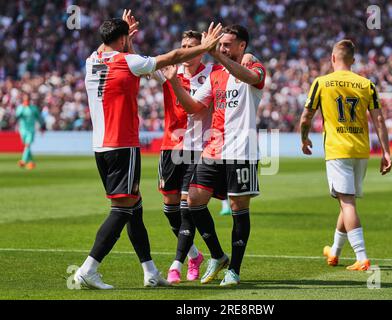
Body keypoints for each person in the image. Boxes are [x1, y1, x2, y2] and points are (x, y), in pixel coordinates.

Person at [74, 12, 223, 289]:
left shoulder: (91, 60)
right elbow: (172, 56)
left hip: (100, 146)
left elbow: (111, 48)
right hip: (122, 144)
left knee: (135, 207)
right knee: (121, 209)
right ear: (122, 39)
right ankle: (88, 268)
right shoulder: (128, 61)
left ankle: (150, 272)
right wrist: (206, 46)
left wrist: (125, 36)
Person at [164, 25, 266, 286]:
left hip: (242, 151)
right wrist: (175, 84)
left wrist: (216, 55)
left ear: (242, 46)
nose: (222, 49)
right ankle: (218, 256)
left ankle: (235, 270)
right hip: (214, 149)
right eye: (220, 45)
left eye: (228, 44)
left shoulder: (255, 69)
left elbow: (247, 76)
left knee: (237, 209)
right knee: (193, 202)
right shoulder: (215, 75)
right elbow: (193, 108)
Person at [299, 39, 392, 271]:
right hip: (361, 150)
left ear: (332, 58)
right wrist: (386, 151)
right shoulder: (366, 84)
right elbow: (379, 119)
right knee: (346, 200)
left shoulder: (321, 82)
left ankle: (362, 257)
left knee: (347, 202)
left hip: (337, 150)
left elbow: (306, 117)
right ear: (353, 60)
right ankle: (335, 251)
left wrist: (304, 137)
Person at [153, 30, 213, 284]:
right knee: (170, 208)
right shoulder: (170, 69)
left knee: (187, 207)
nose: (187, 50)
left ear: (201, 49)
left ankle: (176, 265)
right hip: (171, 147)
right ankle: (194, 255)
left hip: (199, 148)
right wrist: (128, 41)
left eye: (192, 46)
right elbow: (140, 63)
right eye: (184, 45)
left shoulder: (211, 74)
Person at [15, 93, 45, 170]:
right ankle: (31, 162)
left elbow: (39, 118)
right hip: (23, 130)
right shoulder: (20, 108)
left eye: (28, 100)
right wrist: (22, 108)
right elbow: (17, 116)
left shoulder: (34, 108)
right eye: (25, 100)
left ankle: (23, 161)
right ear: (23, 100)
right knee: (26, 146)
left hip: (31, 130)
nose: (26, 101)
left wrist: (42, 126)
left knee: (27, 145)